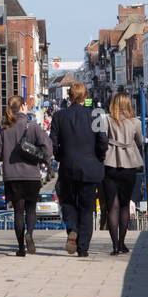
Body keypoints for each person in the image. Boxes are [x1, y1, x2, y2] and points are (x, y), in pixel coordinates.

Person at [49, 82, 107, 258]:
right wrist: (98, 158)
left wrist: (60, 156)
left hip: (68, 167)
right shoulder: (96, 115)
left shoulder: (59, 116)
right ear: (85, 96)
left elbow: (52, 143)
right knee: (86, 208)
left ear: (70, 96)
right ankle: (83, 248)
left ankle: (72, 229)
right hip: (90, 169)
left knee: (67, 201)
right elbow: (103, 142)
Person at [0, 95, 54, 257]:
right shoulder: (33, 126)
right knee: (31, 209)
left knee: (18, 212)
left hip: (12, 176)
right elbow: (48, 148)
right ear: (23, 107)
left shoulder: (4, 129)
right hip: (31, 175)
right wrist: (42, 158)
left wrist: (4, 156)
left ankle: (20, 248)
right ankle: (30, 234)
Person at [102, 91, 143, 256]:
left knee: (112, 206)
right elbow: (140, 142)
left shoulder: (106, 120)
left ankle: (114, 246)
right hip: (129, 166)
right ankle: (122, 243)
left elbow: (102, 140)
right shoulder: (136, 123)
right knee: (125, 205)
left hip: (110, 164)